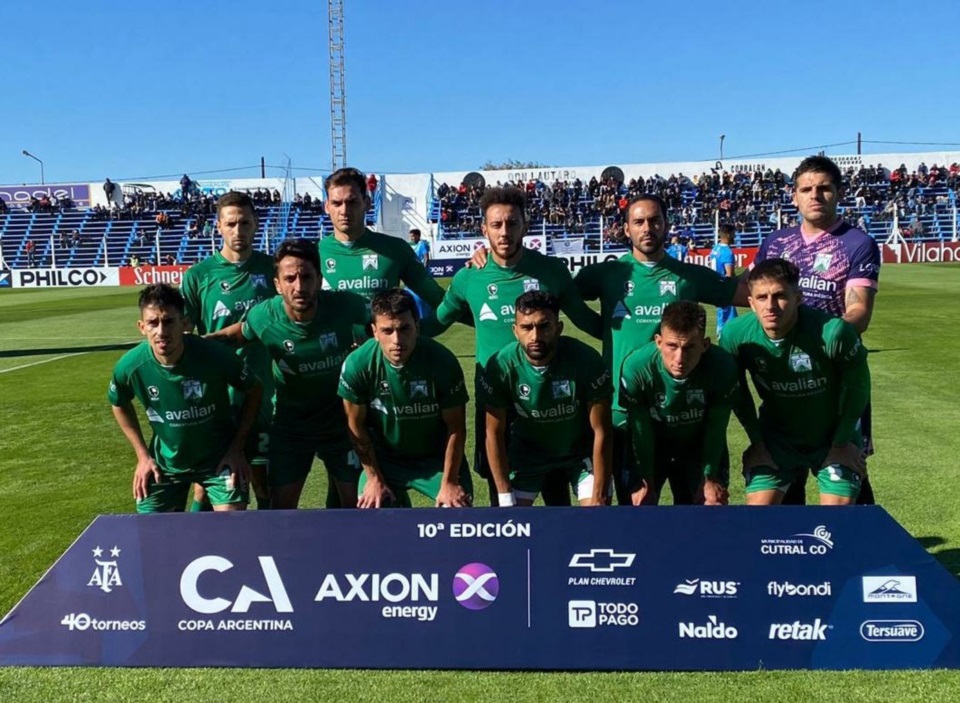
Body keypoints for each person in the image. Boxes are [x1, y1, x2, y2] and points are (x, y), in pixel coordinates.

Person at [573, 194, 746, 505]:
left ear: (666, 225)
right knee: (636, 512)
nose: (647, 228)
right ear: (625, 229)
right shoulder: (608, 274)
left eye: (654, 220)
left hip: (684, 414)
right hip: (623, 413)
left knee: (699, 513)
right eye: (638, 222)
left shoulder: (688, 275)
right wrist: (600, 328)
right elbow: (560, 294)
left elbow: (749, 294)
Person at [437, 186, 603, 507]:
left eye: (512, 223)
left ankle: (559, 555)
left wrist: (641, 335)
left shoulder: (551, 271)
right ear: (484, 229)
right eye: (496, 225)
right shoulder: (470, 277)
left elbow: (587, 321)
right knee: (502, 499)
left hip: (547, 395)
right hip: (496, 400)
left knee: (557, 497)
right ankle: (508, 556)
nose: (504, 232)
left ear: (524, 225)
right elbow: (435, 322)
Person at [752, 155, 881, 505]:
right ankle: (791, 557)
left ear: (838, 193)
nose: (815, 195)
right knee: (787, 483)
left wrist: (828, 341)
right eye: (806, 189)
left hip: (836, 381)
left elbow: (859, 310)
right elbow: (752, 296)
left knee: (847, 471)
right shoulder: (775, 244)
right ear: (794, 196)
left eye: (824, 188)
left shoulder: (857, 243)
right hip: (785, 383)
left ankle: (863, 555)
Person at [317, 167, 450, 508]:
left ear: (367, 203)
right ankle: (341, 557)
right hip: (333, 385)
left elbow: (441, 301)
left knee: (384, 476)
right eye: (337, 203)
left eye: (353, 202)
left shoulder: (394, 251)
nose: (345, 210)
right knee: (345, 480)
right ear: (326, 207)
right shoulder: (314, 257)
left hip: (389, 384)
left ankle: (395, 554)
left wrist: (420, 335)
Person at [206, 239, 370, 510]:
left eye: (306, 277)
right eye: (290, 278)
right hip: (291, 426)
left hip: (342, 423)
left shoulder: (345, 305)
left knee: (360, 507)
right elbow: (233, 335)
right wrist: (192, 344)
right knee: (281, 511)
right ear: (277, 284)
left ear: (319, 279)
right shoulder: (264, 316)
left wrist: (370, 342)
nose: (299, 286)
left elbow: (386, 319)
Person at [721, 259, 869, 506]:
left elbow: (859, 387)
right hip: (777, 440)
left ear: (798, 297)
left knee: (834, 523)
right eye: (761, 298)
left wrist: (843, 441)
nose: (770, 306)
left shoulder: (833, 332)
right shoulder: (735, 336)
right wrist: (757, 442)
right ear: (750, 303)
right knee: (757, 518)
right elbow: (737, 393)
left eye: (780, 296)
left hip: (831, 438)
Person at [107, 283, 263, 513]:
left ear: (185, 324)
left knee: (233, 525)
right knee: (152, 534)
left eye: (169, 321)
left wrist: (236, 449)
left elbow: (254, 389)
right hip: (166, 465)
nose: (161, 331)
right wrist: (142, 456)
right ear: (141, 327)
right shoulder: (131, 366)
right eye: (153, 323)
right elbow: (118, 403)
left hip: (219, 459)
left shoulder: (215, 355)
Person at [180, 191, 276, 511]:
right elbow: (185, 339)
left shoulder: (274, 269)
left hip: (266, 390)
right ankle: (194, 550)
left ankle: (270, 547)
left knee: (263, 477)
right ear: (218, 227)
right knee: (206, 484)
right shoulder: (198, 276)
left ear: (255, 224)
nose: (239, 230)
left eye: (245, 223)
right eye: (231, 223)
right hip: (217, 396)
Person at [339, 288, 473, 508]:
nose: (397, 340)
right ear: (374, 331)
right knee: (369, 507)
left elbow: (455, 427)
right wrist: (373, 478)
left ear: (417, 327)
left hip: (435, 460)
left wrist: (449, 482)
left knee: (459, 512)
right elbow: (355, 427)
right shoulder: (358, 365)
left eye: (404, 328)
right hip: (385, 461)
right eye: (387, 330)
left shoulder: (442, 362)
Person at [479, 291, 612, 507]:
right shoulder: (500, 366)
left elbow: (602, 430)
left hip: (580, 456)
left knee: (595, 520)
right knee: (512, 526)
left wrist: (599, 494)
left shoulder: (585, 360)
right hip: (527, 457)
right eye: (526, 327)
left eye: (544, 326)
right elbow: (493, 432)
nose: (535, 337)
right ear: (515, 330)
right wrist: (505, 497)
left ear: (558, 328)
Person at [619, 301, 738, 506]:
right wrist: (646, 479)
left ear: (705, 345)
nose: (679, 358)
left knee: (710, 503)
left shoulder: (722, 365)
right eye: (671, 346)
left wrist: (708, 477)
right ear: (658, 341)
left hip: (697, 446)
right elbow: (640, 429)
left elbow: (716, 426)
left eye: (690, 347)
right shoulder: (636, 368)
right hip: (653, 445)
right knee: (639, 507)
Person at [709, 224, 739, 338]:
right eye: (733, 234)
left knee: (723, 317)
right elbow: (729, 275)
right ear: (728, 235)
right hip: (725, 290)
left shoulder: (715, 249)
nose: (734, 237)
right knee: (730, 324)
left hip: (715, 287)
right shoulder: (727, 252)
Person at [408, 228, 432, 319]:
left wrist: (423, 271)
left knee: (422, 294)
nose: (411, 238)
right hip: (417, 274)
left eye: (413, 236)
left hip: (422, 275)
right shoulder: (416, 245)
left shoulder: (422, 244)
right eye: (410, 236)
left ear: (418, 236)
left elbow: (426, 258)